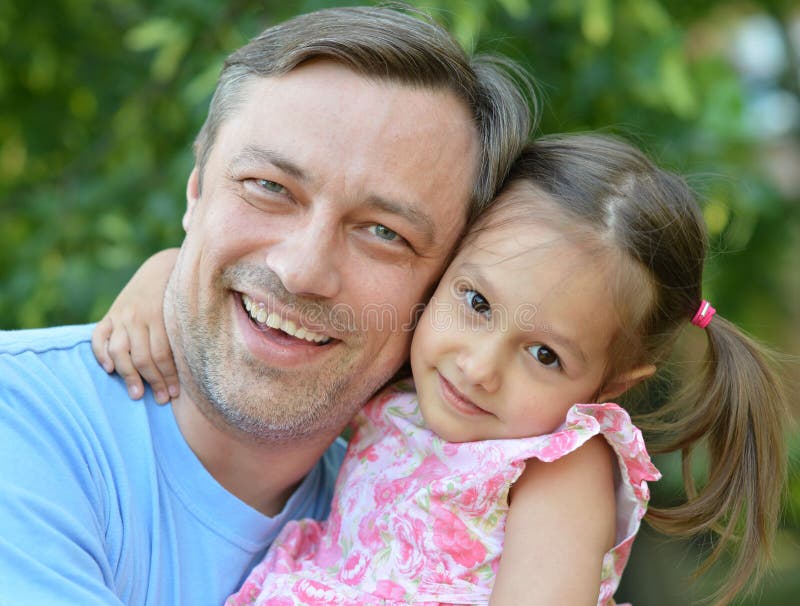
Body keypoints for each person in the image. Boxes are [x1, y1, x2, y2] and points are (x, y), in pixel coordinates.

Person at [95, 134, 787, 606]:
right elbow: (271, 321)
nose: (479, 366)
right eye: (477, 302)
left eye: (545, 356)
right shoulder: (405, 387)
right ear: (445, 263)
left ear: (610, 386)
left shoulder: (558, 464)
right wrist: (163, 275)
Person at [0, 6, 534, 605]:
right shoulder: (19, 419)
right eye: (270, 188)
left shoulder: (427, 533)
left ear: (440, 291)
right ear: (197, 185)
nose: (302, 271)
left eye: (384, 232)